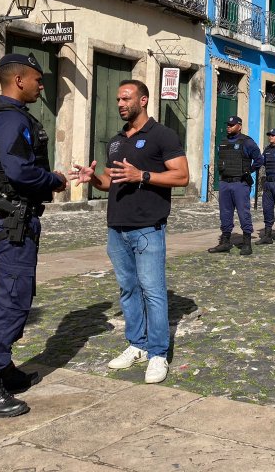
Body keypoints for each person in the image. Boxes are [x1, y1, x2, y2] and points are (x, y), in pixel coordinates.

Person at [70, 79, 189, 384]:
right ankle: (137, 344)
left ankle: (158, 352)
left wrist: (143, 175)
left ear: (144, 100)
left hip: (148, 227)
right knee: (128, 289)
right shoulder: (116, 141)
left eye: (126, 99)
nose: (121, 104)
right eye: (118, 100)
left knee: (153, 291)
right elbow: (111, 180)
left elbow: (182, 176)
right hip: (117, 227)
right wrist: (94, 179)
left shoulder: (163, 135)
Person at [0, 53, 68, 417]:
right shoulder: (10, 118)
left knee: (16, 294)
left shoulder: (8, 117)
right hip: (11, 220)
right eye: (37, 79)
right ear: (18, 81)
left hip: (14, 219)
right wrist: (54, 180)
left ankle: (2, 367)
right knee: (9, 300)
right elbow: (20, 172)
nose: (42, 85)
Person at [207, 116, 264, 256]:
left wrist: (248, 171)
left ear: (239, 126)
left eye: (232, 125)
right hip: (225, 182)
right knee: (225, 213)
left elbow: (259, 159)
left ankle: (246, 243)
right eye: (228, 124)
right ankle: (225, 242)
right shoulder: (224, 142)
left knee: (243, 213)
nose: (229, 127)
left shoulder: (247, 142)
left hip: (240, 183)